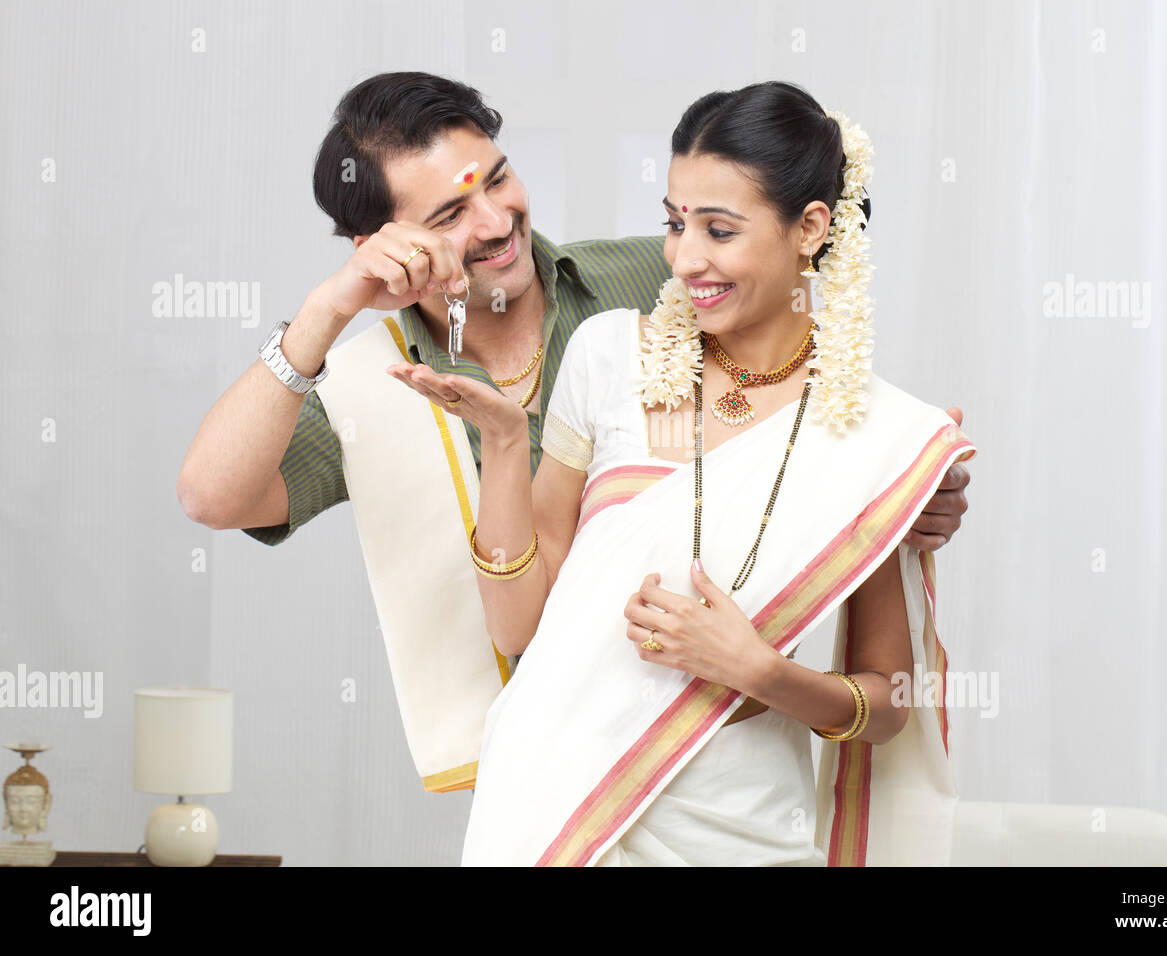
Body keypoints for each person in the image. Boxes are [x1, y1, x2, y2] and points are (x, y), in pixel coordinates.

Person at [176, 71, 973, 797]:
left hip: (733, 769)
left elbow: (803, 430)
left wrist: (903, 500)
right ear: (382, 245)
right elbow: (213, 497)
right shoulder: (368, 388)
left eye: (497, 180)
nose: (496, 221)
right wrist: (330, 309)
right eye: (451, 213)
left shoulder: (656, 284)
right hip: (541, 779)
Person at [387, 81, 978, 866]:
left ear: (809, 228)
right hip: (561, 800)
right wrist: (502, 443)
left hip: (746, 827)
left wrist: (758, 671)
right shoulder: (611, 358)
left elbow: (885, 701)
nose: (684, 257)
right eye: (674, 223)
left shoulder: (871, 434)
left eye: (719, 230)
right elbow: (517, 627)